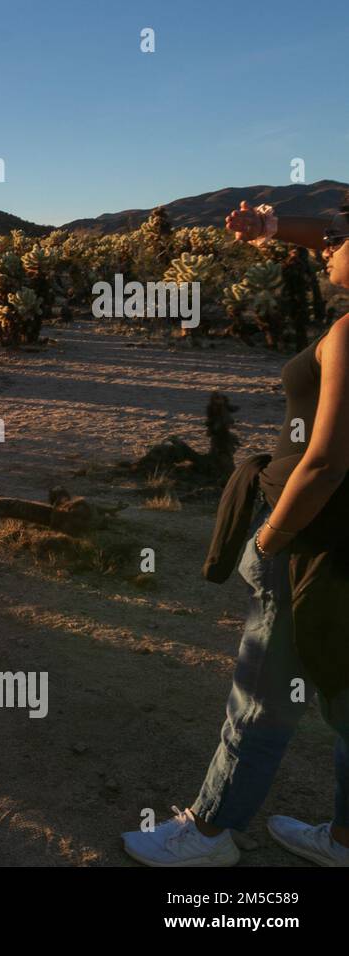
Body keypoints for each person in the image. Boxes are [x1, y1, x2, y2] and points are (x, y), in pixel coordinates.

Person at [122, 200, 349, 866]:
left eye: (341, 239)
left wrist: (269, 540)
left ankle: (210, 834)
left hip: (311, 539)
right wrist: (278, 229)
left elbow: (328, 464)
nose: (328, 246)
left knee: (263, 692)